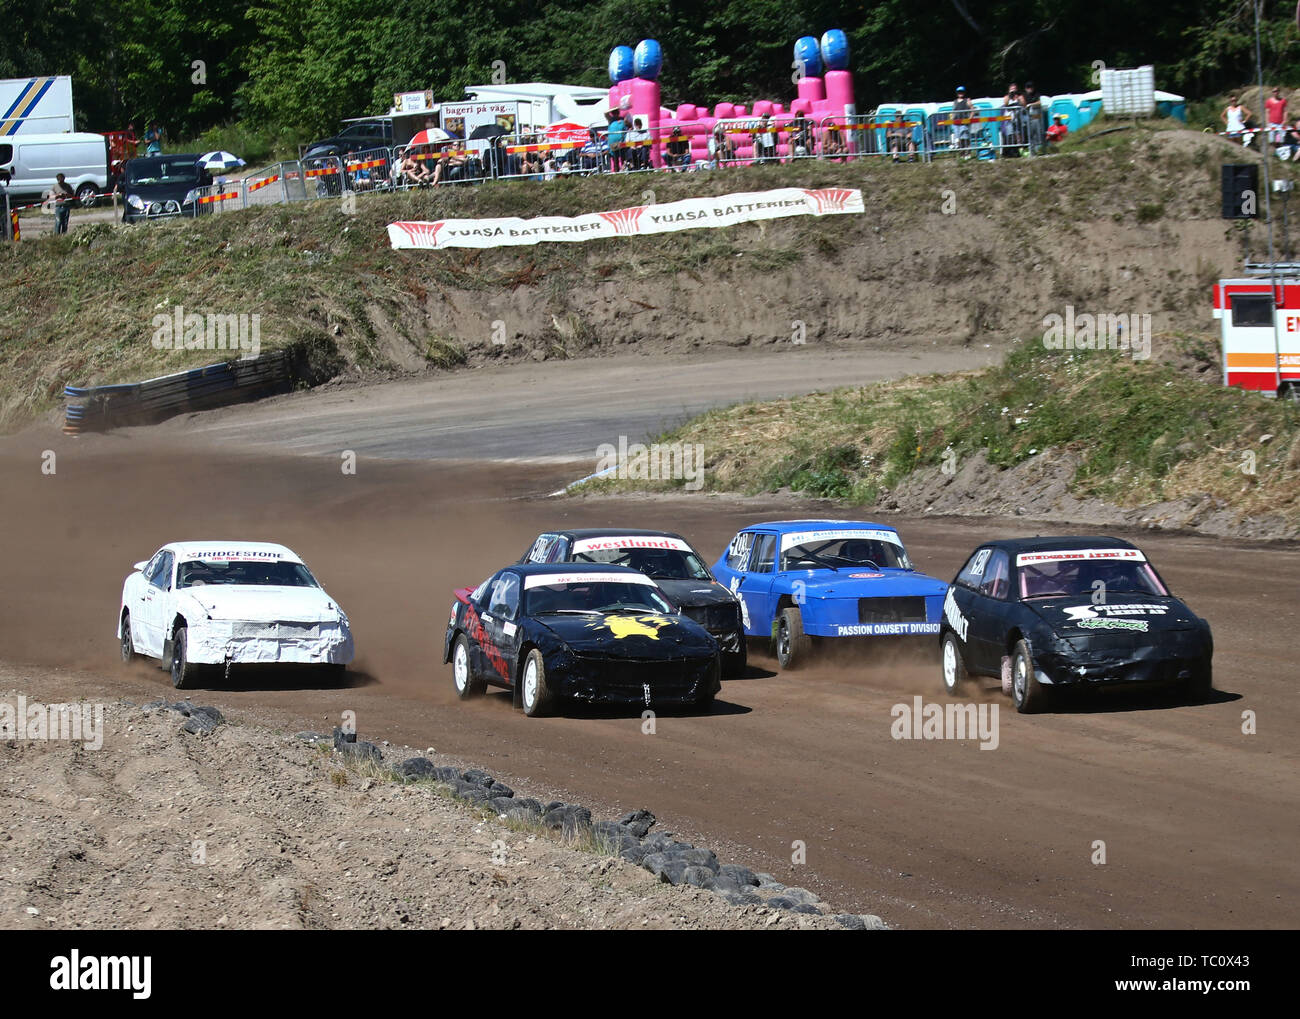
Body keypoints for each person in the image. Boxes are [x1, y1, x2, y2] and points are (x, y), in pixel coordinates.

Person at [1022, 82, 1043, 155]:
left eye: (1031, 87)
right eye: (1028, 87)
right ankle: (1031, 151)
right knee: (1029, 134)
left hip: (1036, 116)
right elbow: (1023, 104)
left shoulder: (1037, 94)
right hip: (1027, 118)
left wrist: (1031, 104)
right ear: (1025, 88)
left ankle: (1039, 149)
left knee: (1038, 132)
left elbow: (1040, 102)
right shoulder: (1023, 95)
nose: (1029, 89)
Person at [952, 86, 973, 156]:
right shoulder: (955, 101)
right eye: (959, 92)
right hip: (956, 122)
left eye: (962, 92)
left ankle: (968, 153)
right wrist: (952, 119)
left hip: (964, 122)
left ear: (964, 93)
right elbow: (953, 112)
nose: (960, 93)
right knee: (958, 139)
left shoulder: (967, 100)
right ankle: (962, 153)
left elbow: (972, 110)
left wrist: (969, 119)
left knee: (965, 138)